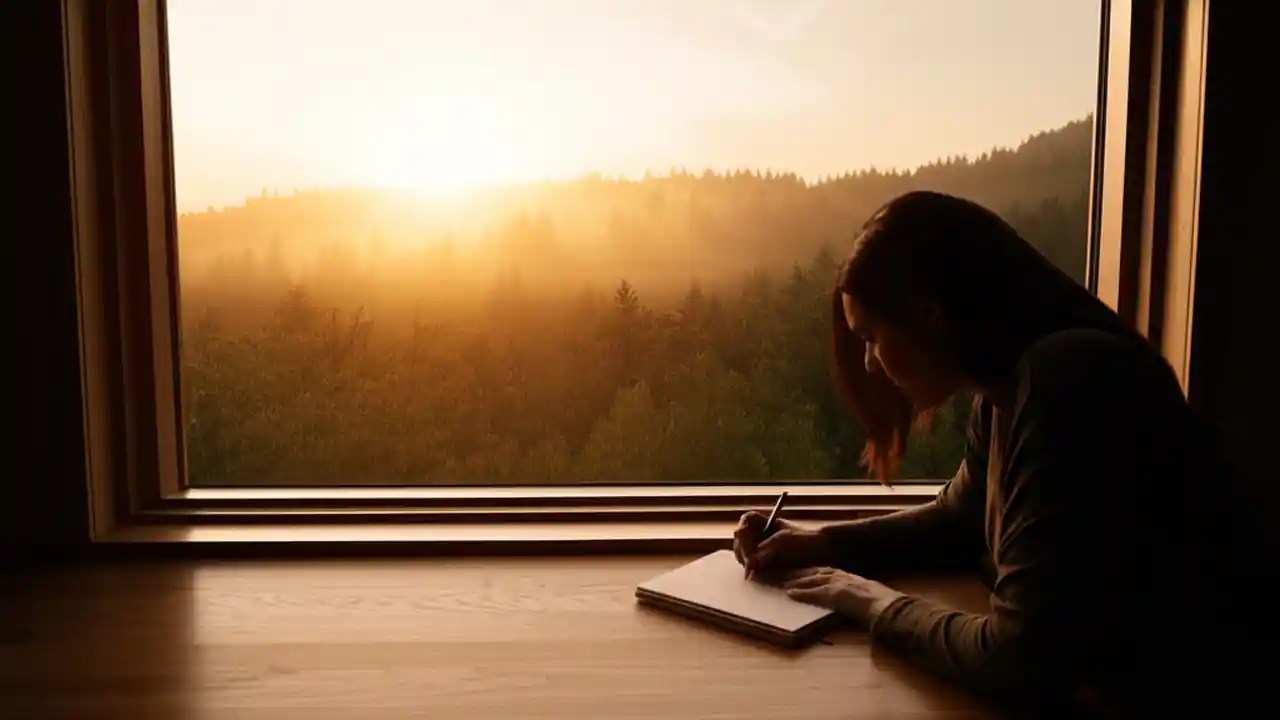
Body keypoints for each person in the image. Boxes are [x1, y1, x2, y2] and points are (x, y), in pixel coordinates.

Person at [732, 191, 1249, 715]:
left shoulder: (1067, 383)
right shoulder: (1004, 390)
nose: (868, 364)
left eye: (872, 337)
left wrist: (873, 603)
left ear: (928, 315)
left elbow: (1017, 658)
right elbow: (960, 519)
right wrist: (819, 543)